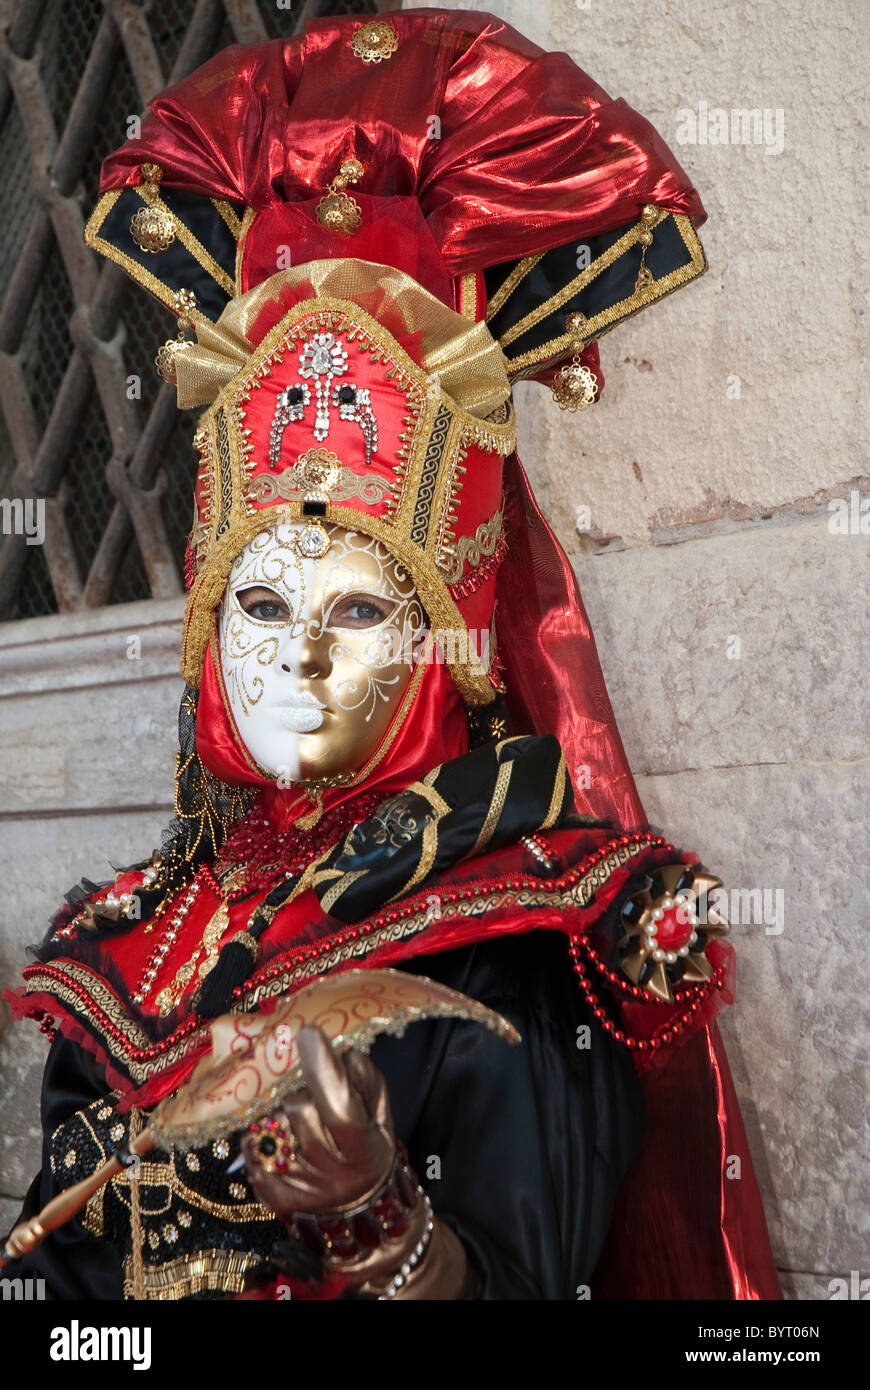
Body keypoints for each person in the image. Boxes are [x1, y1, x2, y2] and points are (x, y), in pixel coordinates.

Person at [3, 9, 780, 1300]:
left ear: (441, 646)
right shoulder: (134, 938)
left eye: (356, 612)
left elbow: (529, 1282)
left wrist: (380, 1222)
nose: (295, 661)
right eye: (257, 610)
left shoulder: (516, 937)